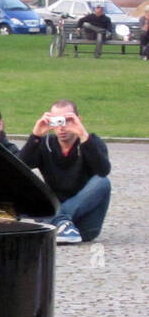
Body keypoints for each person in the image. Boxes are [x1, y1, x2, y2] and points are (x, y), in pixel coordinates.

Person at [19, 99, 111, 244]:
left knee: (102, 182)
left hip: (84, 225)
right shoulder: (46, 144)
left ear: (78, 120)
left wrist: (83, 135)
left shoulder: (92, 142)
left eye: (66, 121)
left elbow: (103, 170)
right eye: (56, 122)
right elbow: (20, 168)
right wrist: (36, 135)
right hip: (54, 217)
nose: (61, 128)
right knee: (26, 183)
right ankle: (61, 222)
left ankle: (61, 221)